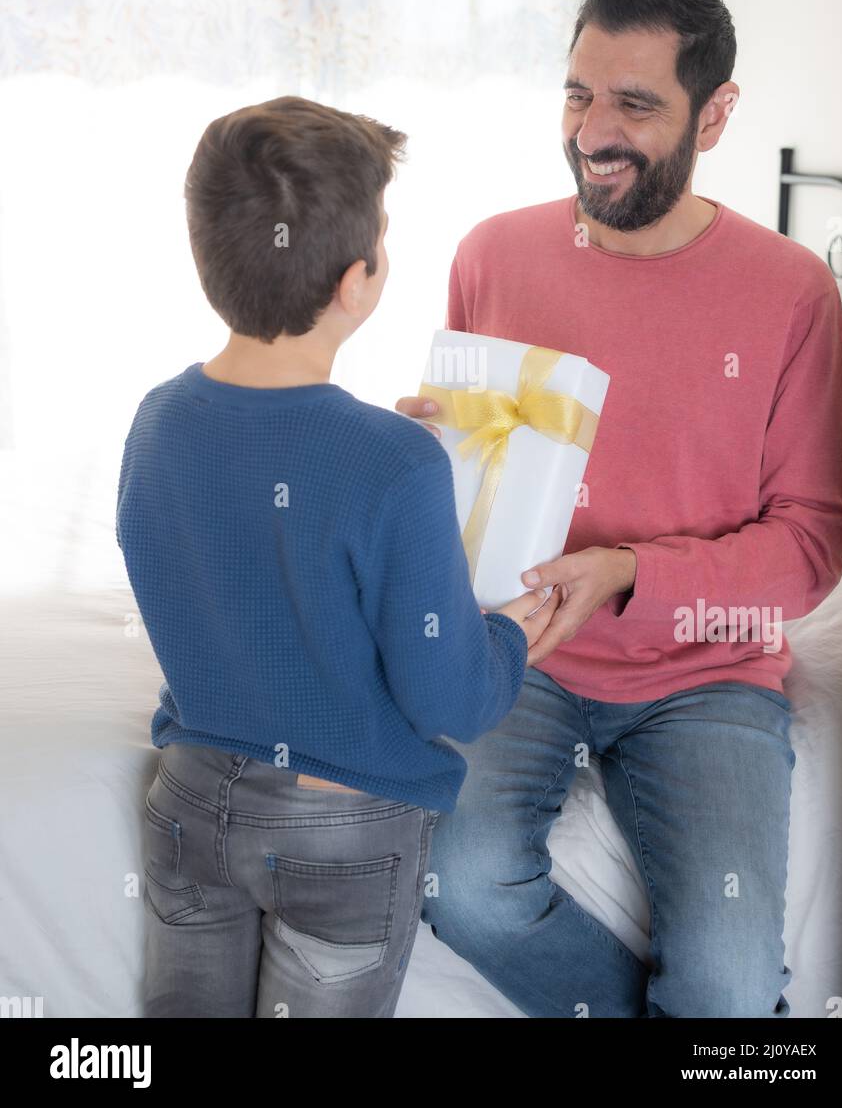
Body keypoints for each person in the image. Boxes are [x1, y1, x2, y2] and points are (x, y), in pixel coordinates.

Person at [397, 0, 842, 1018]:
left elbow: (810, 545)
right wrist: (429, 449)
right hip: (515, 643)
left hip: (707, 670)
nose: (592, 132)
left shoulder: (788, 289)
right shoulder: (493, 251)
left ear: (716, 113)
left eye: (634, 104)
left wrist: (627, 574)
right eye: (576, 94)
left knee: (733, 992)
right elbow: (475, 472)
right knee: (457, 884)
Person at [116, 95, 561, 1018]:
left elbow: (211, 573)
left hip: (188, 802)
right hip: (340, 833)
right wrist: (512, 639)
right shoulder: (391, 463)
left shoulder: (156, 420)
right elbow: (449, 697)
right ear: (358, 280)